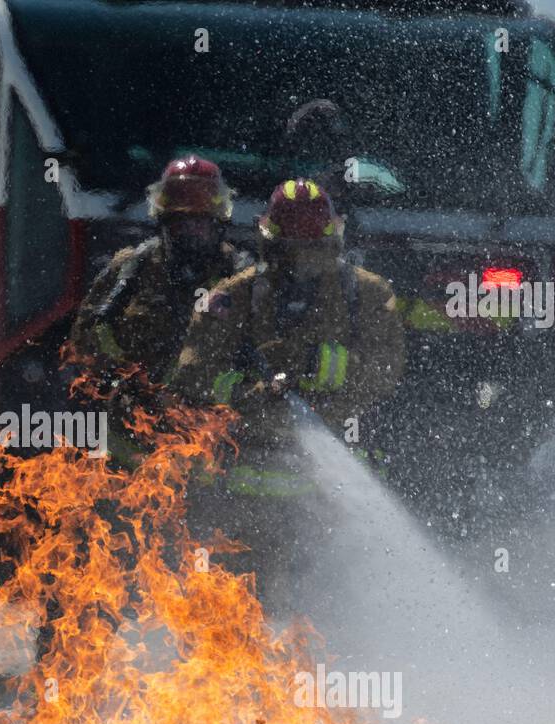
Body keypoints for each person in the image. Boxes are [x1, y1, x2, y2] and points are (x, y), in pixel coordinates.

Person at [167, 178, 406, 617]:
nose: (302, 261)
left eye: (311, 248)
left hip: (332, 502)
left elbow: (386, 373)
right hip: (238, 496)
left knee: (323, 622)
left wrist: (320, 367)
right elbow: (191, 380)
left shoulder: (368, 295)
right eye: (293, 248)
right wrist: (252, 394)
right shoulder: (231, 299)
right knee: (232, 621)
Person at [63, 155, 251, 465]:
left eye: (199, 223)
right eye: (181, 223)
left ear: (218, 223)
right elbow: (85, 340)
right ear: (164, 221)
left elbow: (262, 354)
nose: (191, 232)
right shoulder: (131, 269)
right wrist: (127, 375)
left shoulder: (241, 278)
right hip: (130, 447)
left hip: (207, 447)